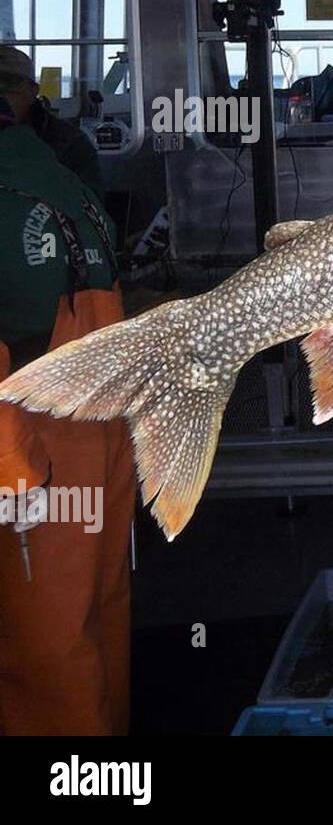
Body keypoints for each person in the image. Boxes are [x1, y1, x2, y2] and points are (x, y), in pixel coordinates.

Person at [0, 45, 134, 735]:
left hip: (28, 443)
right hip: (94, 424)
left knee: (43, 643)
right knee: (93, 610)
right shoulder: (53, 169)